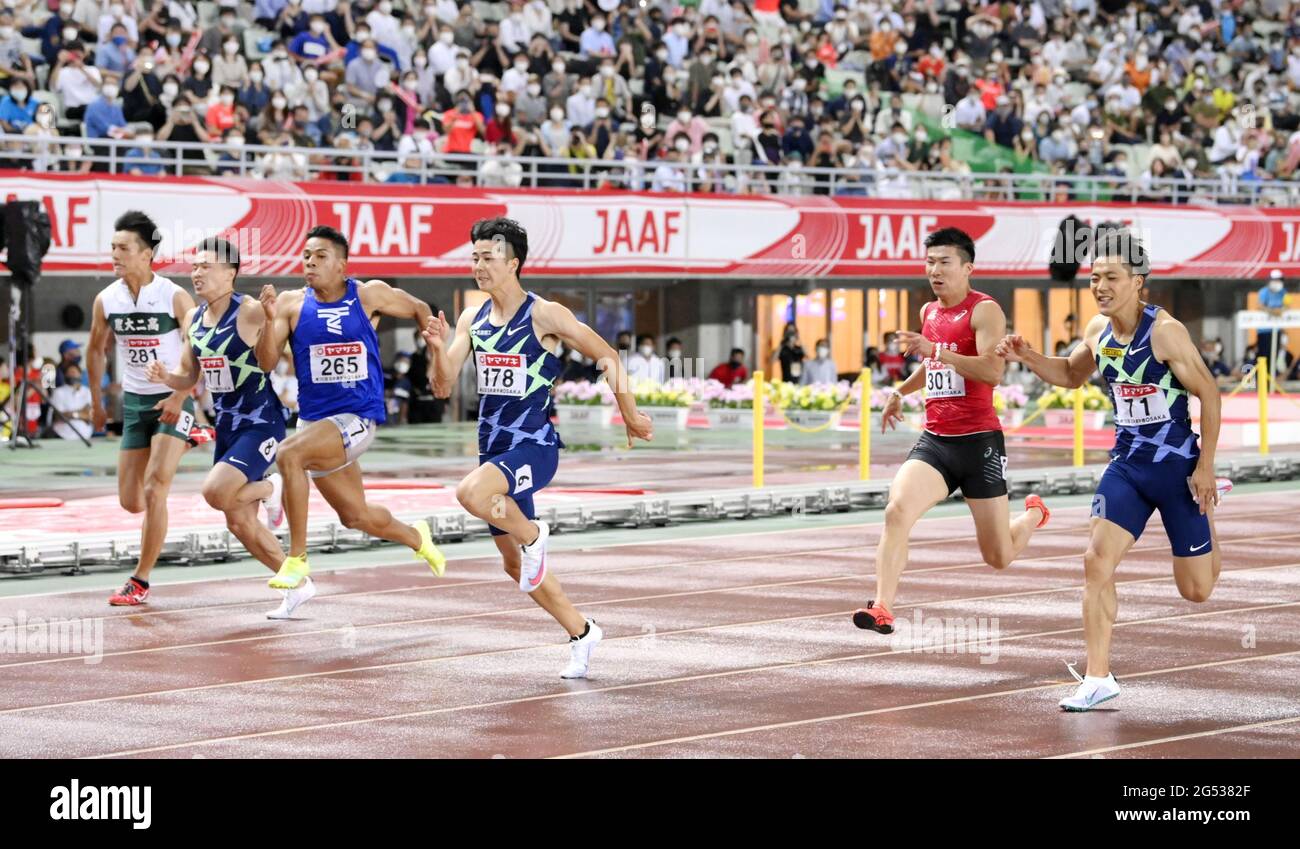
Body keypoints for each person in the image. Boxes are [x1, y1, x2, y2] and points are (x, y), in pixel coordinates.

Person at [997, 229, 1231, 712]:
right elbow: (1070, 374)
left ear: (1137, 282)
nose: (1099, 286)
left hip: (1177, 470)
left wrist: (1205, 468)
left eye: (1110, 277)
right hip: (1126, 466)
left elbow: (1208, 392)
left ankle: (1209, 511)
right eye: (1093, 278)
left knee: (1197, 591)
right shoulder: (1097, 332)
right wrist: (1027, 357)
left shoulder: (1165, 332)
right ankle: (1097, 676)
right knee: (1094, 561)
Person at [423, 217, 654, 678]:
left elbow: (605, 354)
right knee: (515, 567)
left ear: (514, 262)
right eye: (474, 258)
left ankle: (534, 535)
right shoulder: (472, 319)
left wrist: (630, 412)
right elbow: (443, 387)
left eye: (488, 258)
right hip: (493, 451)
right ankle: (582, 631)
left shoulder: (544, 314)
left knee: (471, 495)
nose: (479, 266)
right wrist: (436, 347)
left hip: (534, 448)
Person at [855, 227, 1050, 634]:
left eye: (944, 262)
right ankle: (883, 606)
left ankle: (1034, 514)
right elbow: (934, 366)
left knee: (997, 556)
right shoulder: (930, 313)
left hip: (979, 444)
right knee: (896, 512)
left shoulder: (985, 311)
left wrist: (937, 350)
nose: (935, 271)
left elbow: (992, 371)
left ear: (967, 268)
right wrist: (901, 392)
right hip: (936, 442)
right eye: (929, 262)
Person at [256, 226, 447, 592]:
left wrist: (438, 360)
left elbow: (421, 308)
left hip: (358, 416)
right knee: (353, 515)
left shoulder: (368, 294)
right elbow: (265, 363)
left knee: (287, 455)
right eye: (306, 255)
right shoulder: (291, 304)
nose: (310, 262)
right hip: (315, 423)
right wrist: (267, 320)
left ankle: (296, 558)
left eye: (320, 256)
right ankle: (418, 538)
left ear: (342, 266)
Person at [146, 238, 306, 618]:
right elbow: (190, 376)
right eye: (194, 267)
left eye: (205, 266)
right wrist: (166, 376)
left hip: (261, 422)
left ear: (231, 273)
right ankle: (297, 585)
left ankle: (273, 487)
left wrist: (269, 320)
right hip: (228, 426)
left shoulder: (249, 311)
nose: (197, 273)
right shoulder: (193, 320)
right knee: (237, 520)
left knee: (215, 491)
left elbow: (267, 363)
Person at [87, 211, 198, 606]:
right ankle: (189, 440)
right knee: (130, 501)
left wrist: (179, 393)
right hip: (135, 405)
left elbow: (198, 344)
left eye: (123, 248)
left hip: (171, 400)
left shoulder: (173, 295)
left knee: (155, 491)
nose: (114, 254)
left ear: (147, 254)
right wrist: (98, 403)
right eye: (112, 247)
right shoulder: (107, 299)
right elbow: (96, 350)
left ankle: (140, 579)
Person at [50, 362, 93, 440]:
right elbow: (59, 416)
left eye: (74, 372)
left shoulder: (87, 392)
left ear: (80, 374)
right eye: (69, 373)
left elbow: (91, 415)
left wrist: (71, 414)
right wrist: (81, 413)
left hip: (85, 435)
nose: (72, 375)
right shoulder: (59, 392)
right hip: (63, 435)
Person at [1257, 269, 1288, 378]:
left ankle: (1271, 381)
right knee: (1263, 357)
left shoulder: (1283, 292)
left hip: (1277, 329)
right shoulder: (1264, 291)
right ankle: (1262, 382)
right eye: (1274, 280)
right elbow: (1260, 306)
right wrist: (1273, 311)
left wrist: (1281, 310)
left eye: (1279, 280)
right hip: (1264, 330)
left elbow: (1286, 306)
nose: (1276, 282)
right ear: (1269, 280)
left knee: (1274, 357)